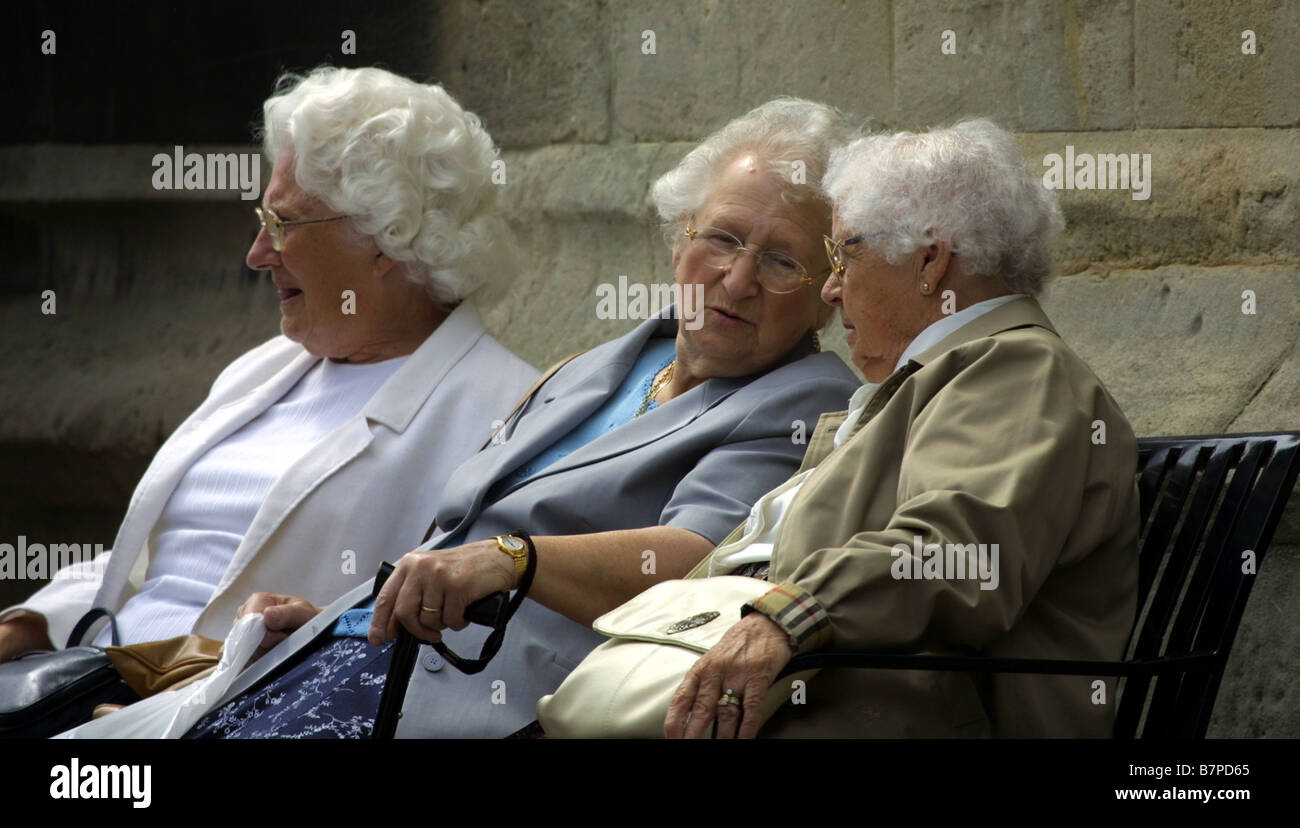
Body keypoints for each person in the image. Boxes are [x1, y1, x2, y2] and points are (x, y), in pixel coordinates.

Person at [176, 97, 863, 738]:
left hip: (498, 712)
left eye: (782, 263)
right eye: (721, 239)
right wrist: (337, 620)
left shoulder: (803, 402)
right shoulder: (598, 366)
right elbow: (457, 538)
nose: (737, 280)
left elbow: (696, 561)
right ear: (677, 239)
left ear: (828, 294)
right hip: (375, 670)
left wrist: (515, 561)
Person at [0, 67, 537, 662]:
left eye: (282, 224)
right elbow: (165, 563)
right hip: (89, 688)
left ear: (386, 238)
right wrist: (34, 623)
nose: (257, 255)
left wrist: (324, 639)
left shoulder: (505, 415)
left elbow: (487, 643)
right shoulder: (265, 369)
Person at [662, 119, 1140, 738]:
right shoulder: (937, 379)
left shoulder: (1014, 368)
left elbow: (960, 554)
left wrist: (788, 616)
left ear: (930, 261)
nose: (831, 289)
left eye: (844, 254)